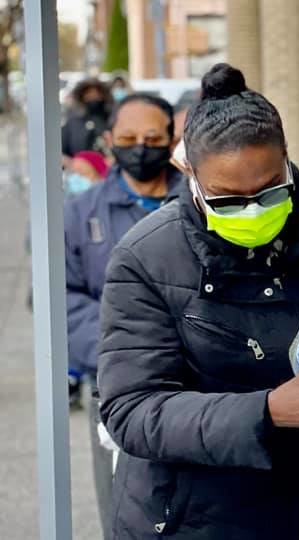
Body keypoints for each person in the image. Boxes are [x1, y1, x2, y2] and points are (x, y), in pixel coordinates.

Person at [96, 63, 299, 539]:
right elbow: (132, 410)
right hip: (196, 517)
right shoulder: (147, 257)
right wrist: (266, 412)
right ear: (191, 175)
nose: (251, 210)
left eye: (269, 192)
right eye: (227, 200)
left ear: (286, 160)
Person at [64, 92, 182, 538]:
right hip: (116, 388)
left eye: (152, 138)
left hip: (197, 385)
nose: (141, 148)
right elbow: (62, 298)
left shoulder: (200, 200)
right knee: (127, 508)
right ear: (110, 140)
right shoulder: (80, 213)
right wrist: (125, 351)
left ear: (171, 140)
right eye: (128, 139)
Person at [61, 78, 112, 158]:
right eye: (89, 94)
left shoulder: (112, 120)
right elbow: (62, 151)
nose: (93, 97)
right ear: (81, 97)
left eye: (97, 94)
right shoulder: (73, 123)